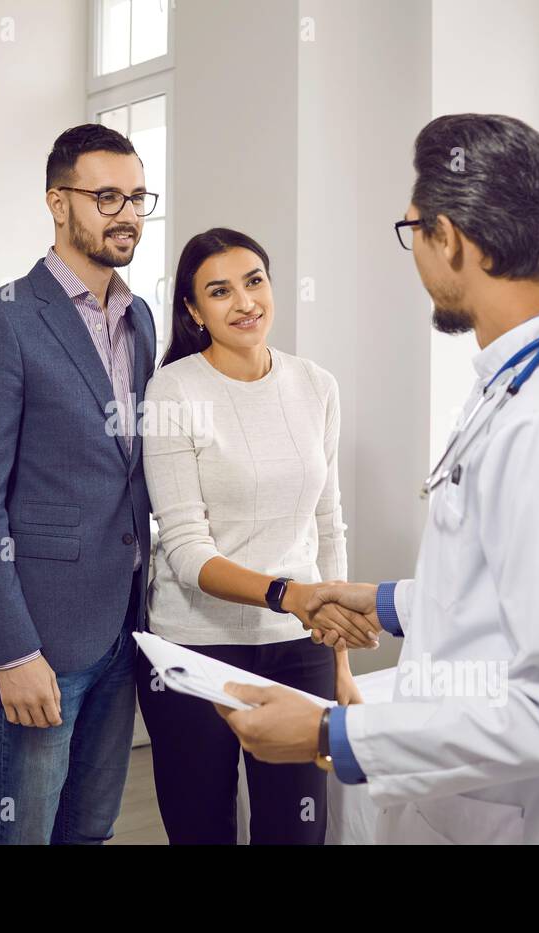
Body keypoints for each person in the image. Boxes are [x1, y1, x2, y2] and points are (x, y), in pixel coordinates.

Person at [217, 113, 539, 845]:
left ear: (450, 238)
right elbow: (520, 594)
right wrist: (386, 601)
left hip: (537, 819)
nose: (416, 257)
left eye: (413, 232)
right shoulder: (524, 383)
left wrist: (333, 735)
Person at [0, 124, 158, 844]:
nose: (125, 213)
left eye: (136, 196)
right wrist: (9, 650)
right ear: (57, 203)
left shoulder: (142, 319)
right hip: (37, 638)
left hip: (122, 628)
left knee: (90, 830)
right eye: (105, 196)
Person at [138, 227, 369, 845]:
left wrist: (339, 657)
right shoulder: (174, 391)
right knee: (201, 828)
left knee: (297, 831)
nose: (244, 302)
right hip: (196, 648)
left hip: (301, 647)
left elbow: (328, 524)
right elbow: (186, 551)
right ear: (193, 310)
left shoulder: (317, 386)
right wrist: (287, 594)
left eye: (254, 281)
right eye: (220, 291)